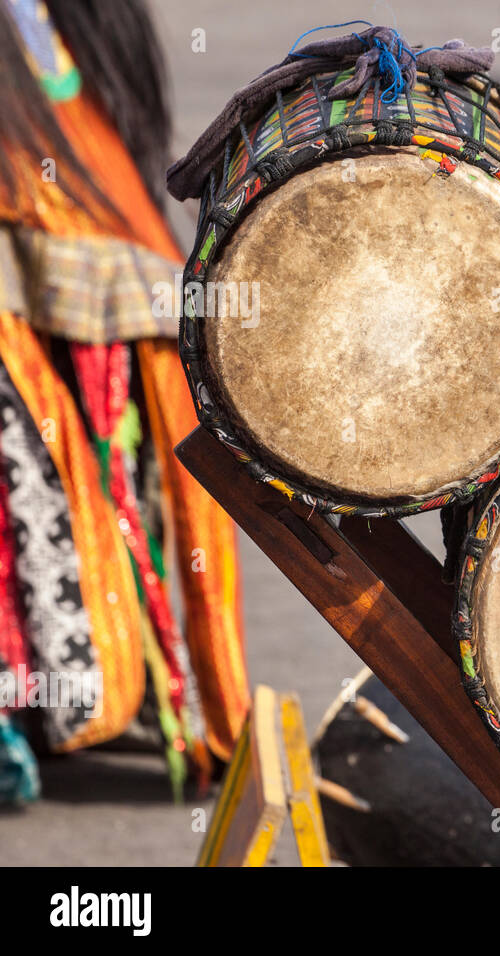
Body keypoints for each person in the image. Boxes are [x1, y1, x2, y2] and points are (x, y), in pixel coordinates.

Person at [0, 0, 248, 803]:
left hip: (84, 268)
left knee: (75, 488)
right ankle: (111, 691)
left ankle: (81, 694)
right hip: (107, 264)